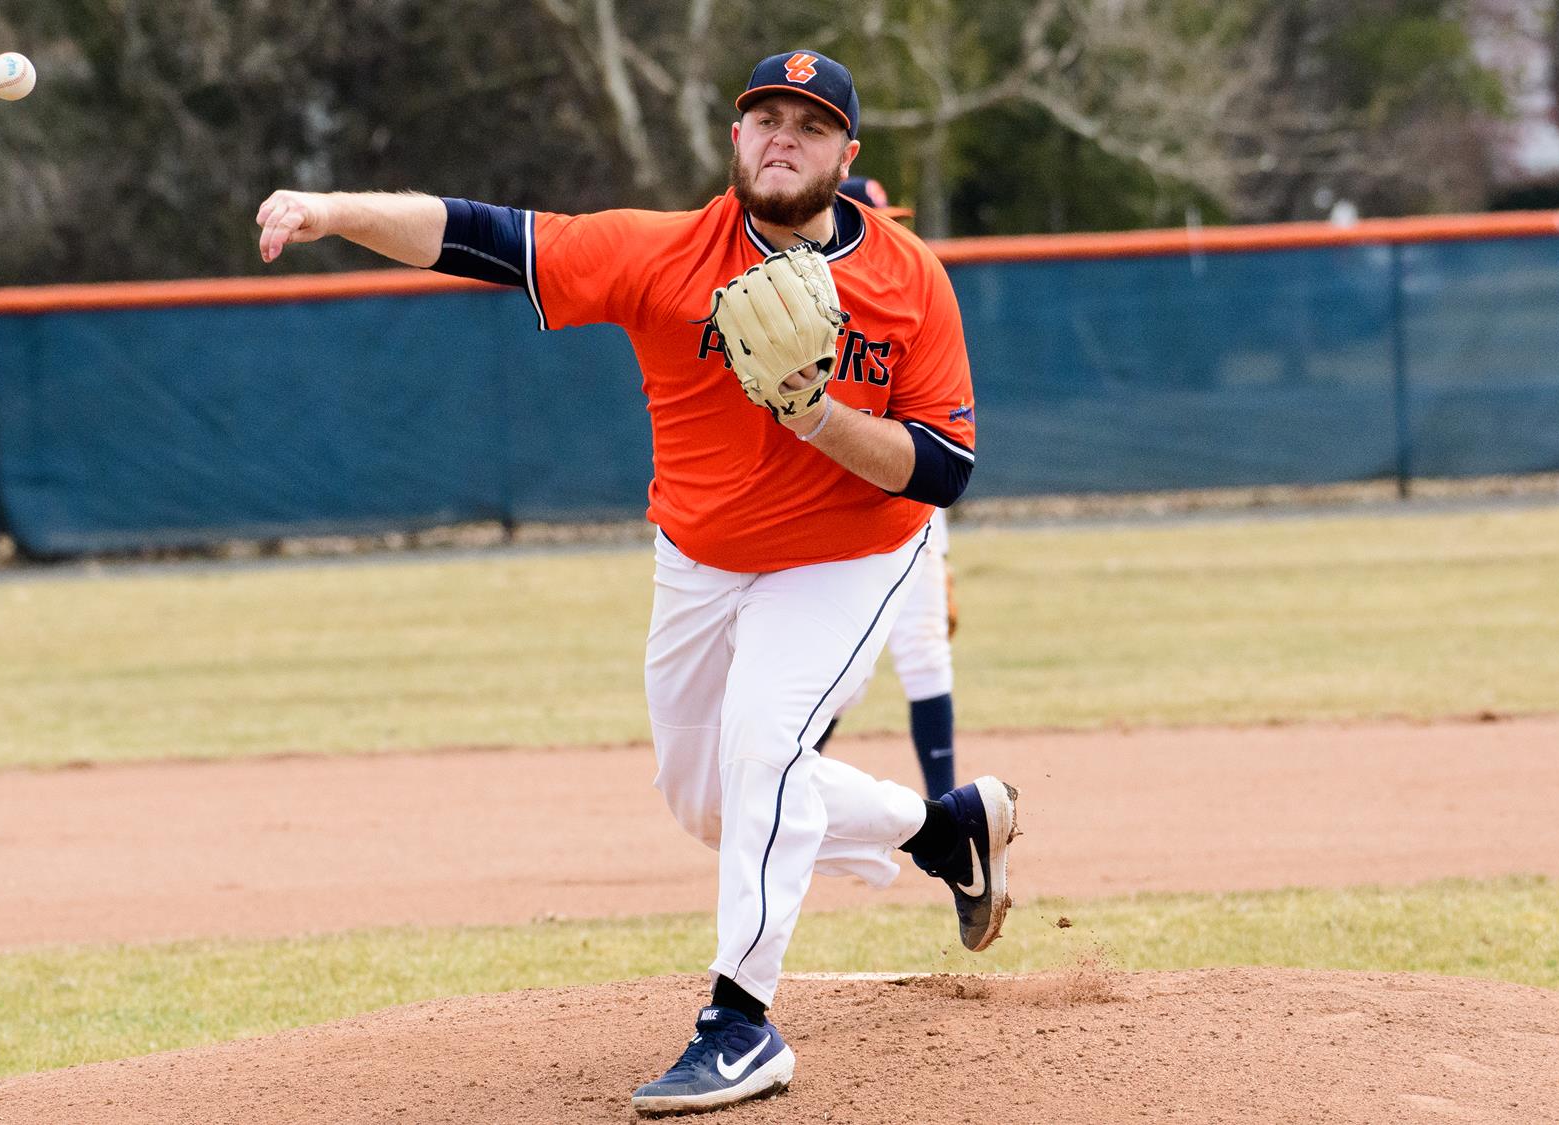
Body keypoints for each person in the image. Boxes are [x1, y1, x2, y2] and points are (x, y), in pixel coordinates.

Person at [254, 49, 1019, 1117]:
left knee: (764, 749)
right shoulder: (665, 252)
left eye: (808, 123)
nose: (782, 137)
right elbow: (482, 235)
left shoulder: (905, 280)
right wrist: (331, 206)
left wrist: (817, 419)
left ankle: (740, 1024)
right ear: (736, 139)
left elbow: (947, 467)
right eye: (764, 118)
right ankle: (939, 833)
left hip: (847, 556)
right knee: (702, 800)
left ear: (847, 152)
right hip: (699, 559)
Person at [812, 176, 959, 801]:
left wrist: (941, 557)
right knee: (840, 677)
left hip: (913, 514)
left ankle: (952, 811)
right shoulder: (809, 316)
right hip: (838, 518)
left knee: (924, 653)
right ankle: (777, 794)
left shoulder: (912, 299)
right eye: (879, 218)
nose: (892, 231)